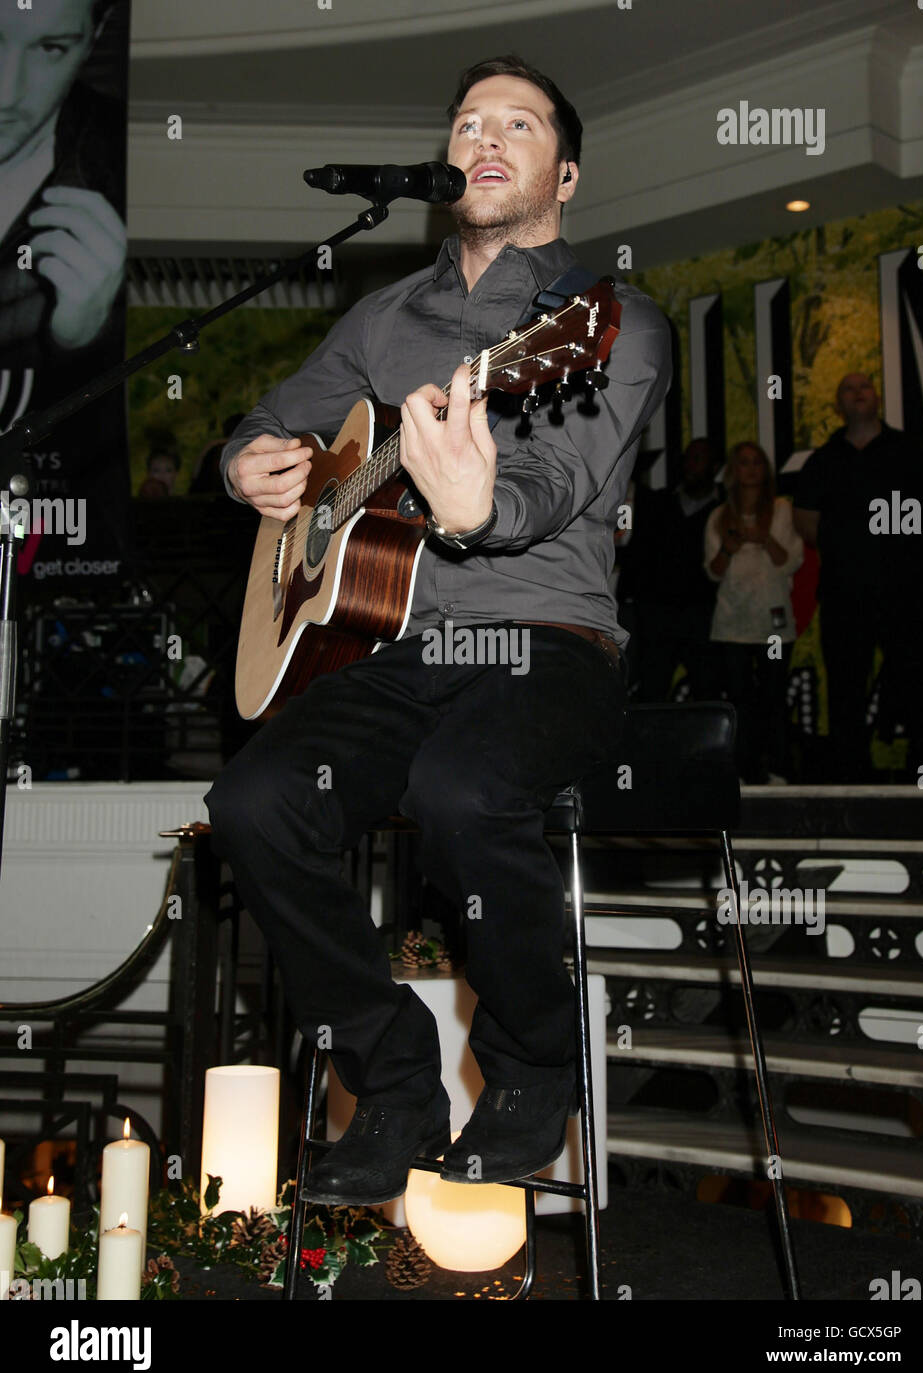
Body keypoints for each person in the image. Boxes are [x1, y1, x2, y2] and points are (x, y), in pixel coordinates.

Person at [205, 54, 671, 1204]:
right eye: (469, 121)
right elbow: (278, 423)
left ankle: (528, 1071)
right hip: (396, 645)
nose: (487, 135)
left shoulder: (608, 322)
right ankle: (395, 1074)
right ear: (446, 161)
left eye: (519, 122)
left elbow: (559, 478)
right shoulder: (383, 317)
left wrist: (482, 506)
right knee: (253, 803)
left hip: (548, 643)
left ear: (565, 173)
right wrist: (246, 467)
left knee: (464, 784)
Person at [793, 373, 923, 781]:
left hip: (907, 595)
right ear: (837, 405)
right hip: (844, 597)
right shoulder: (822, 461)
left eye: (865, 386)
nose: (858, 392)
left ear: (877, 398)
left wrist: (909, 536)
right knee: (845, 692)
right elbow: (806, 524)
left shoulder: (913, 450)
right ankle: (851, 781)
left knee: (919, 686)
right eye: (848, 388)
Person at [0, 0, 126, 371]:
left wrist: (83, 339)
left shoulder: (127, 168)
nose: (7, 94)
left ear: (94, 38)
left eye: (51, 48)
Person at [704, 441, 803, 783]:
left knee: (774, 696)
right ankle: (743, 770)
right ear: (733, 471)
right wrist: (729, 550)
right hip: (733, 621)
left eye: (756, 462)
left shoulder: (782, 510)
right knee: (739, 699)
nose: (750, 469)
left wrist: (764, 538)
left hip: (773, 619)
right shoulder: (718, 517)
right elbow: (712, 571)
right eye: (743, 463)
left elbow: (791, 561)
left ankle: (778, 767)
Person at [616, 437, 721, 700]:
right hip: (659, 615)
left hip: (705, 615)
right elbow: (633, 550)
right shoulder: (657, 503)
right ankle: (652, 741)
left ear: (714, 465)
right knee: (653, 688)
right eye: (688, 458)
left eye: (699, 458)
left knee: (707, 688)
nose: (691, 465)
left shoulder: (724, 509)